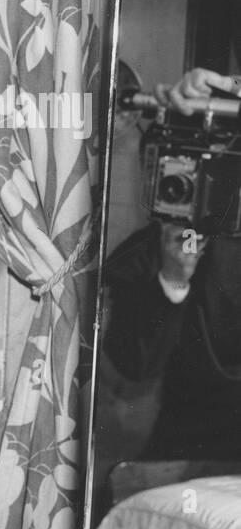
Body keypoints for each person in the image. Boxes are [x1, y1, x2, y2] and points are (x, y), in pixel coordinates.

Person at [101, 67, 241, 460]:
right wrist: (172, 279)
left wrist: (229, 86)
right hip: (193, 448)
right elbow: (134, 364)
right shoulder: (157, 249)